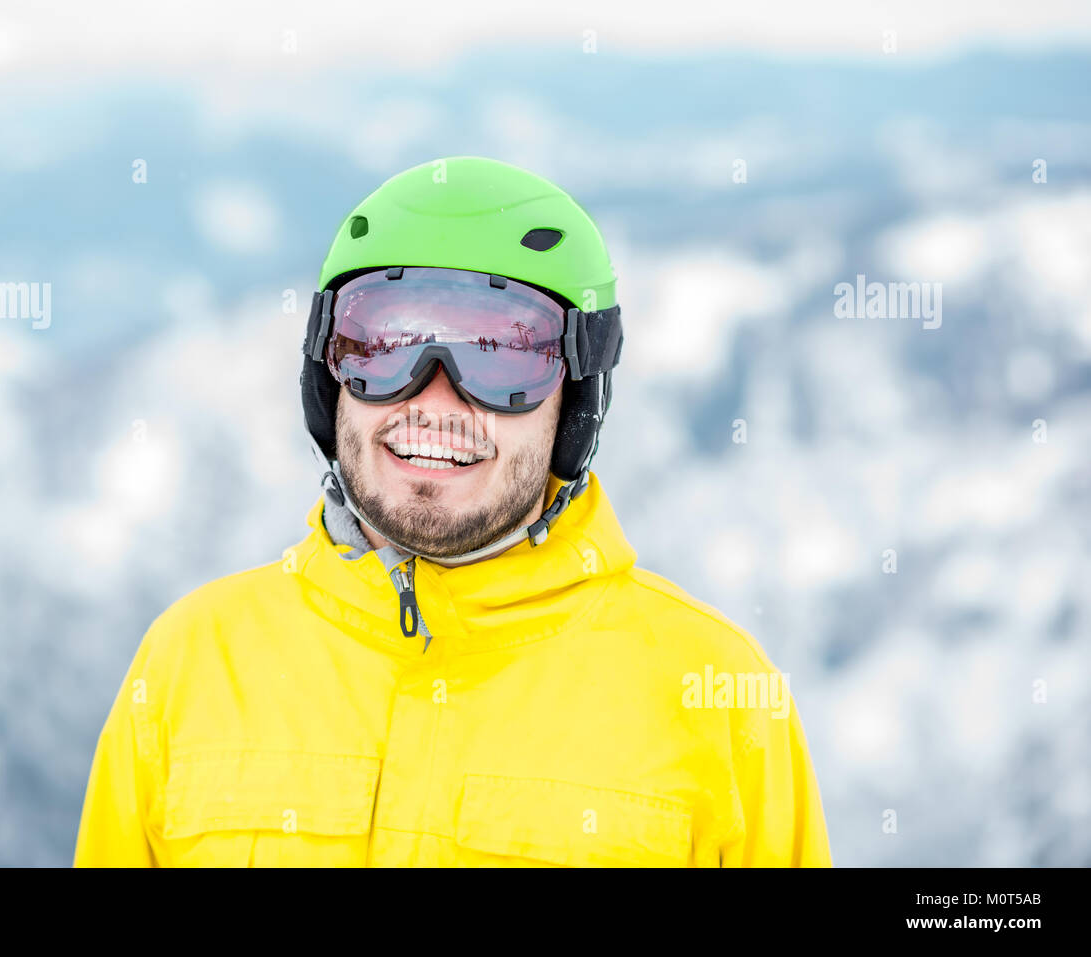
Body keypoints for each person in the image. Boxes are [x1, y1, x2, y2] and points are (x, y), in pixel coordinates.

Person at [74, 155, 832, 867]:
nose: (433, 399)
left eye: (502, 355)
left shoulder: (715, 693)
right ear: (327, 379)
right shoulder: (192, 663)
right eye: (384, 344)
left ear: (576, 403)